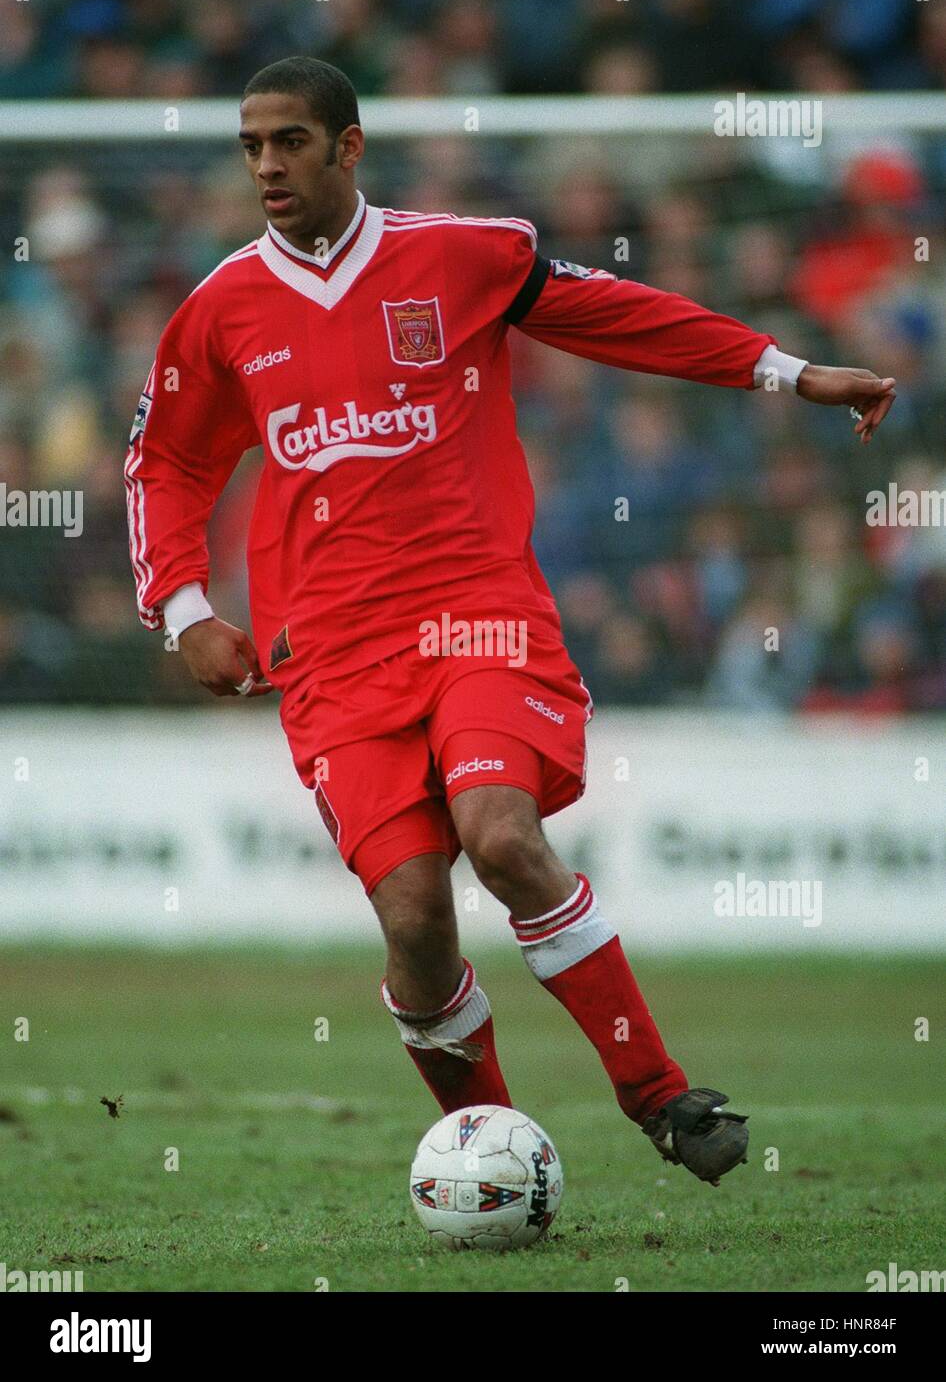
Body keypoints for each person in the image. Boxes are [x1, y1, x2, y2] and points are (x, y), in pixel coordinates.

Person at [125, 57, 896, 1186]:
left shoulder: (463, 255)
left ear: (348, 146)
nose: (266, 166)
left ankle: (661, 1095)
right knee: (414, 921)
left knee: (501, 837)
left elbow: (621, 318)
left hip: (477, 614)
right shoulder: (220, 311)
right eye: (250, 147)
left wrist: (784, 371)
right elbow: (164, 462)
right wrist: (184, 608)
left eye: (289, 141)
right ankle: (498, 1158)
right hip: (334, 654)